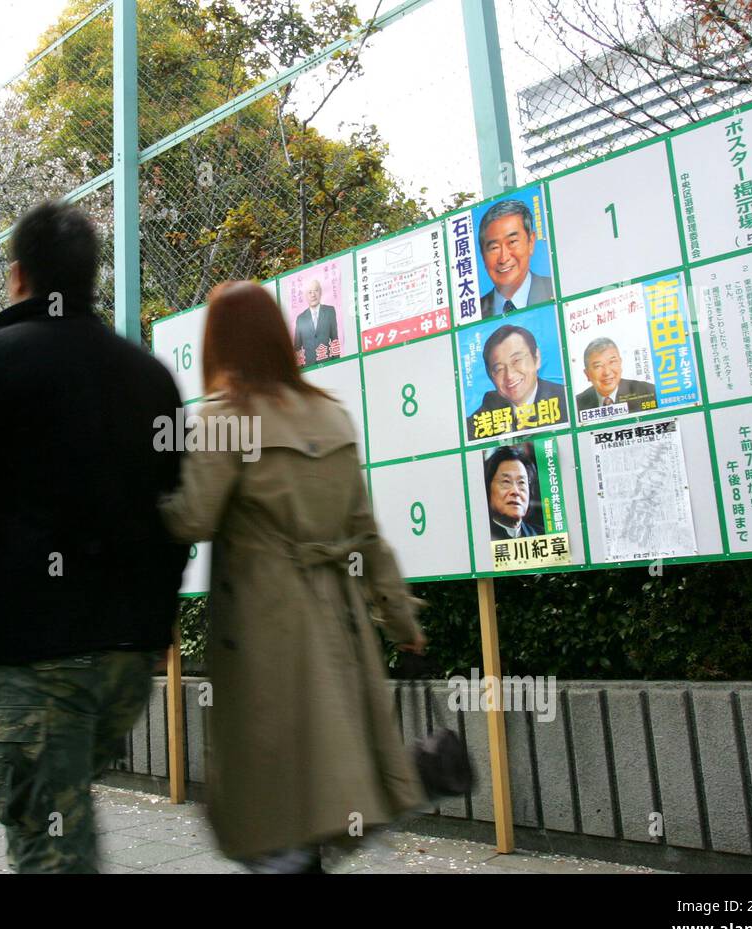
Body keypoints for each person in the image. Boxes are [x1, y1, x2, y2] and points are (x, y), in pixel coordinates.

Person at [0, 201, 188, 874]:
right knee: (61, 815)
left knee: (48, 841)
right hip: (126, 656)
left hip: (40, 643)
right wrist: (158, 624)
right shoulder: (151, 377)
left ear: (18, 277)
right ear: (91, 279)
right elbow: (177, 513)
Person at [158, 280, 427, 874]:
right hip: (341, 628)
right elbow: (366, 534)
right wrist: (401, 619)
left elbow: (191, 518)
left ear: (217, 346)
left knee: (272, 794)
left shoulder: (224, 419)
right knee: (326, 780)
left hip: (266, 630)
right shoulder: (330, 416)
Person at [467, 324, 567, 439]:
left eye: (517, 360)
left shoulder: (564, 399)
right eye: (499, 369)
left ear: (537, 358)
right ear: (491, 377)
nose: (509, 375)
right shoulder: (493, 403)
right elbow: (463, 435)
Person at [478, 199, 554, 318]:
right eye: (494, 247)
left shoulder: (555, 290)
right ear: (482, 255)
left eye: (512, 242)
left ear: (531, 242)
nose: (504, 258)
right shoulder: (474, 314)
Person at [575, 337, 656, 415]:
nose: (607, 372)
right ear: (587, 374)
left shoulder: (649, 393)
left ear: (620, 363)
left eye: (612, 362)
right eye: (598, 366)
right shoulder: (576, 405)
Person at [485, 446, 542, 539]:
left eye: (521, 483)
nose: (515, 491)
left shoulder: (542, 535)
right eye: (506, 482)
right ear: (488, 489)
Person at [291, 277, 339, 365]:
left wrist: (336, 362)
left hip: (327, 362)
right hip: (309, 366)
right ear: (305, 295)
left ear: (320, 292)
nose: (313, 295)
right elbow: (297, 347)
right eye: (309, 292)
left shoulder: (330, 311)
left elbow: (334, 339)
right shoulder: (300, 318)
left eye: (316, 291)